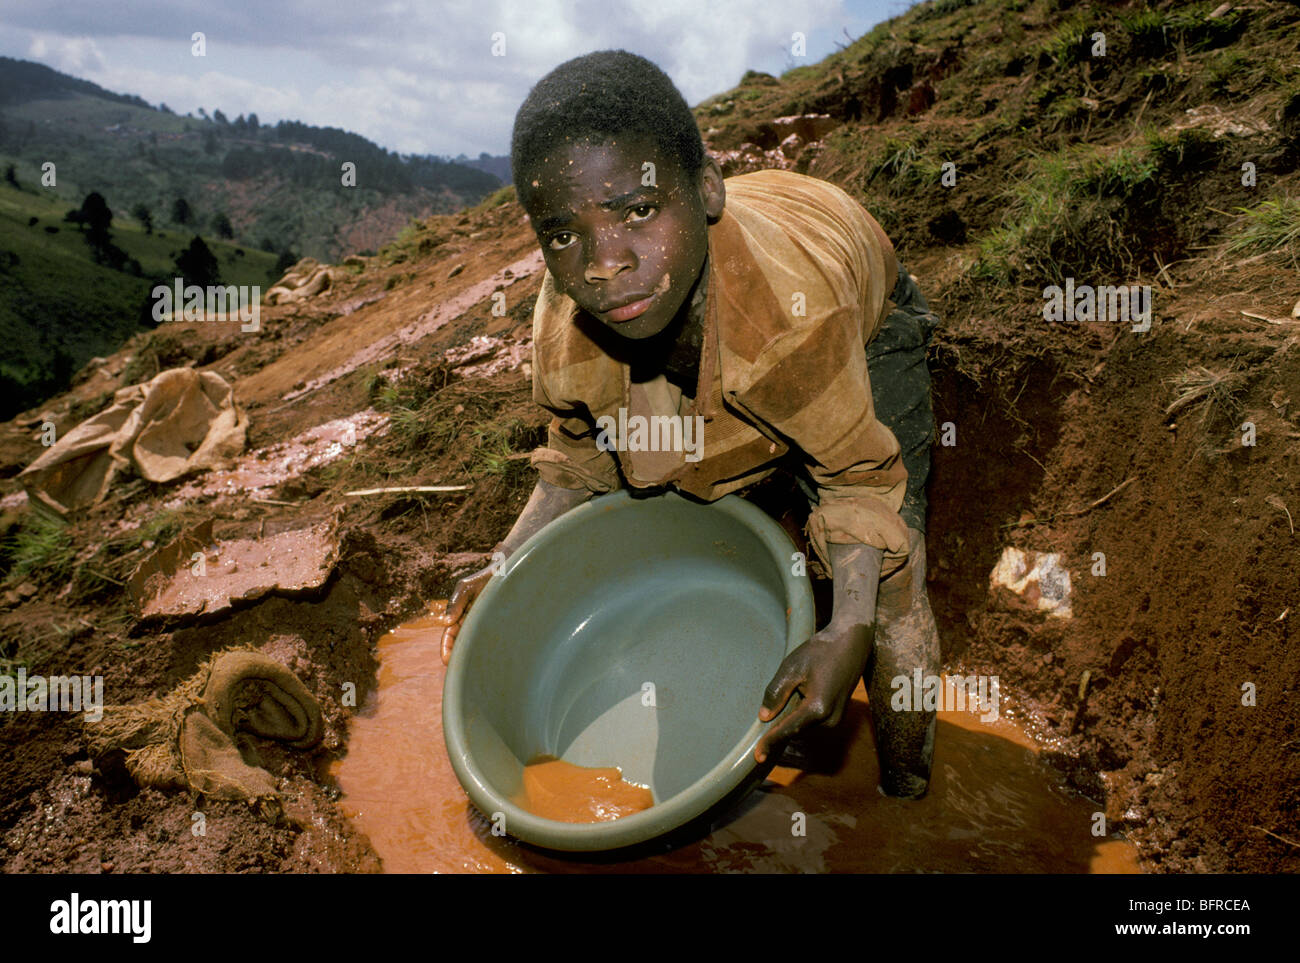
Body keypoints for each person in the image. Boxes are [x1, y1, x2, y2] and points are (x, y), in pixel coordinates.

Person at [438, 50, 942, 798]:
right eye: (565, 235)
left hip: (855, 304)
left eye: (638, 211)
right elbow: (580, 464)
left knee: (890, 583)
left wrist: (847, 629)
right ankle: (780, 713)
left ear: (705, 189)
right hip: (711, 331)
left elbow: (857, 480)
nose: (605, 264)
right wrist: (507, 558)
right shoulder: (567, 328)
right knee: (706, 498)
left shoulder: (790, 326)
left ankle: (907, 788)